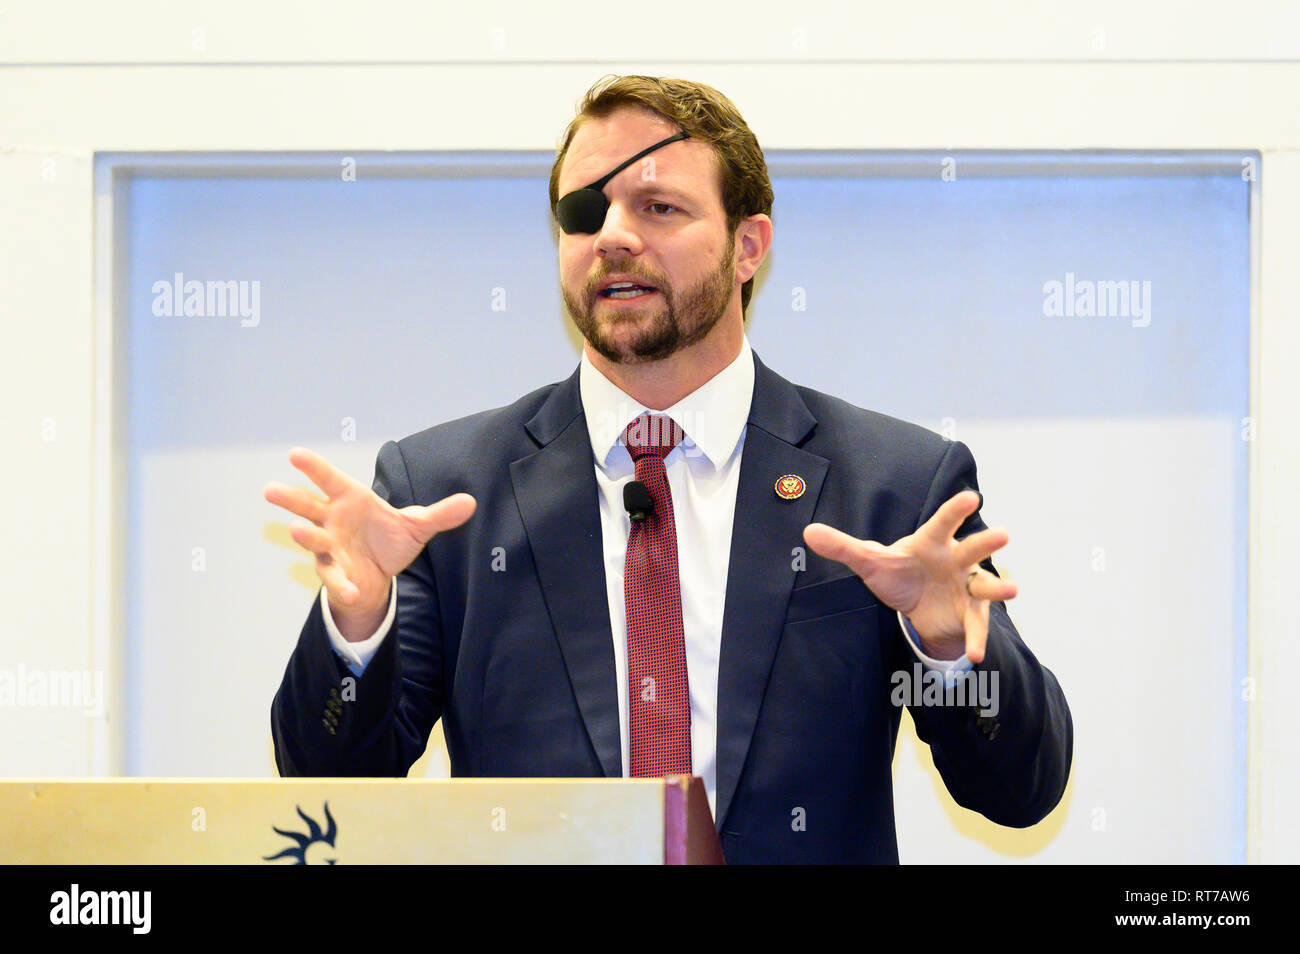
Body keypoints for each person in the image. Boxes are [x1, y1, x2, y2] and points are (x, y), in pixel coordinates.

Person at [266, 74, 1072, 864]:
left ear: (747, 245)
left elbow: (1020, 790)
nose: (611, 235)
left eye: (657, 207)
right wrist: (358, 629)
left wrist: (943, 648)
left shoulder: (893, 484)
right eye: (584, 212)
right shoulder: (443, 491)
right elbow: (330, 787)